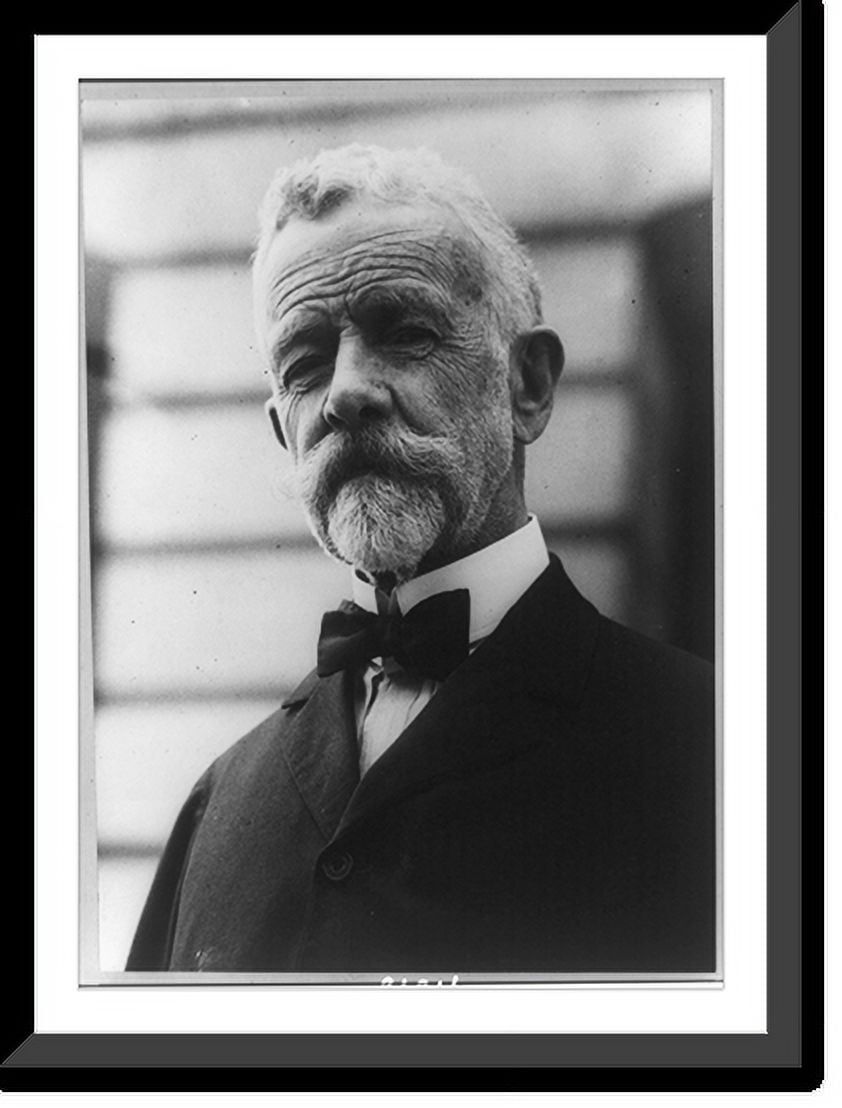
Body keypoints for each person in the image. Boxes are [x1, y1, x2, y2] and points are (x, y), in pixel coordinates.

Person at [126, 144, 715, 976]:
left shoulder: (714, 752)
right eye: (305, 363)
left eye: (405, 333)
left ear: (528, 386)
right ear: (283, 432)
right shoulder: (217, 804)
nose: (345, 393)